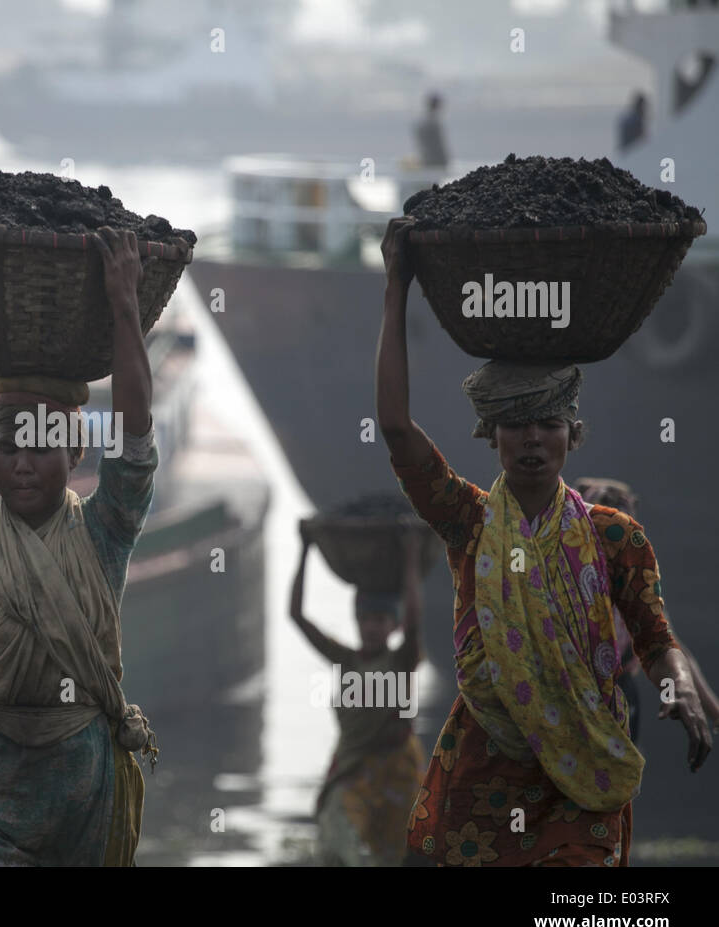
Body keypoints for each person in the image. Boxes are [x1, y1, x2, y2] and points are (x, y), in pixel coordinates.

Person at [376, 217, 711, 867]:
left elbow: (655, 639)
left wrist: (683, 689)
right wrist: (396, 283)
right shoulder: (468, 524)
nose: (533, 439)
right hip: (480, 776)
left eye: (549, 424)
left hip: (581, 782)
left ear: (573, 436)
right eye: (518, 425)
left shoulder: (616, 537)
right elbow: (394, 428)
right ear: (492, 437)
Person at [0, 220, 159, 866]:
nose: (22, 461)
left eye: (43, 443)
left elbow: (135, 443)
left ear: (76, 451)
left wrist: (126, 305)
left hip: (80, 800)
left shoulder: (105, 533)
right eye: (7, 443)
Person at [291, 525, 425, 866]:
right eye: (365, 618)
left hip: (397, 771)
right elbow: (297, 616)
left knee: (401, 852)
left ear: (391, 625)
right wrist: (305, 550)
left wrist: (410, 556)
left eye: (380, 619)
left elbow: (413, 620)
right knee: (339, 834)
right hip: (354, 766)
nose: (371, 626)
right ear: (356, 620)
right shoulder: (346, 659)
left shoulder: (401, 659)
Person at [573, 478, 719, 744]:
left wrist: (711, 708)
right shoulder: (564, 561)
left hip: (616, 691)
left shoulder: (634, 575)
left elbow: (668, 644)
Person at [414, 92, 449, 169]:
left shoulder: (421, 121)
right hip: (436, 161)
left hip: (425, 159)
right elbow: (439, 144)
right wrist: (445, 160)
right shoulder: (433, 122)